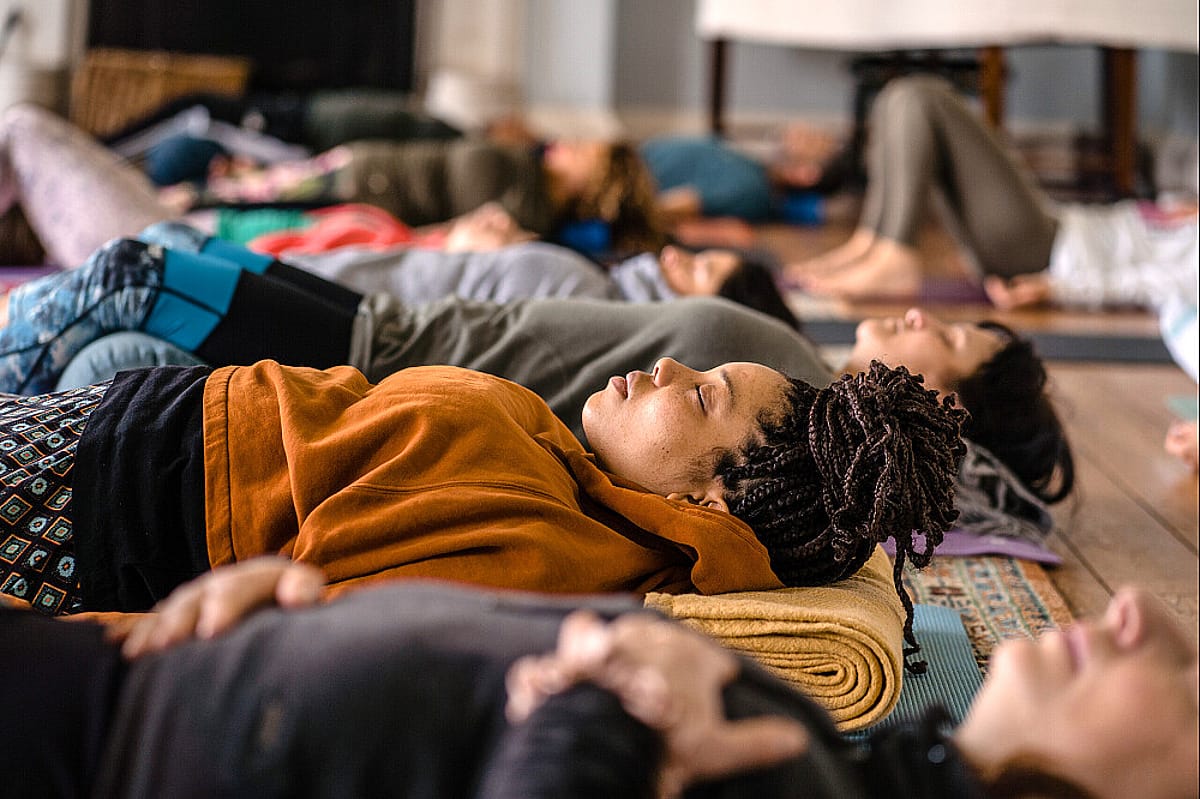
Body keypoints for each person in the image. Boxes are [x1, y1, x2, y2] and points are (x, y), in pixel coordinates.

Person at [5, 557, 1197, 798]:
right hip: (136, 677)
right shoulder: (844, 764)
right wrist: (272, 617)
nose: (1139, 607)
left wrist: (604, 710)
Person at [0, 103, 666, 268]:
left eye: (590, 150)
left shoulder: (524, 206)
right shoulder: (520, 161)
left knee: (24, 130)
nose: (572, 141)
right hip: (309, 193)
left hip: (186, 243)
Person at [787, 75, 1199, 315]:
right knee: (897, 97)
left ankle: (894, 254)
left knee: (922, 98)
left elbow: (1161, 285)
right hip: (1056, 228)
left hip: (1049, 252)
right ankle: (871, 243)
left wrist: (1057, 289)